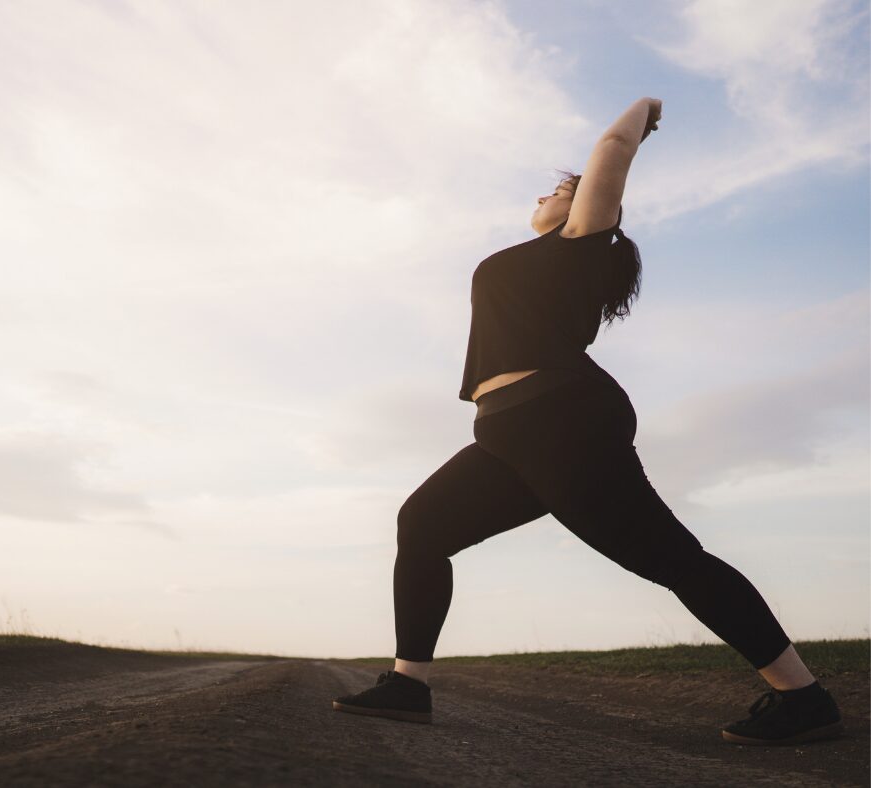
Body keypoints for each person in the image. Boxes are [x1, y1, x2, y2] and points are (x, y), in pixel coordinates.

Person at [332, 97, 845, 746]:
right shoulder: (541, 257)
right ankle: (408, 685)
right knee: (424, 524)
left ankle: (804, 696)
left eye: (564, 188)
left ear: (587, 209)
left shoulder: (579, 244)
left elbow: (613, 150)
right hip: (509, 435)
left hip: (560, 423)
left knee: (675, 562)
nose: (551, 192)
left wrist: (644, 111)